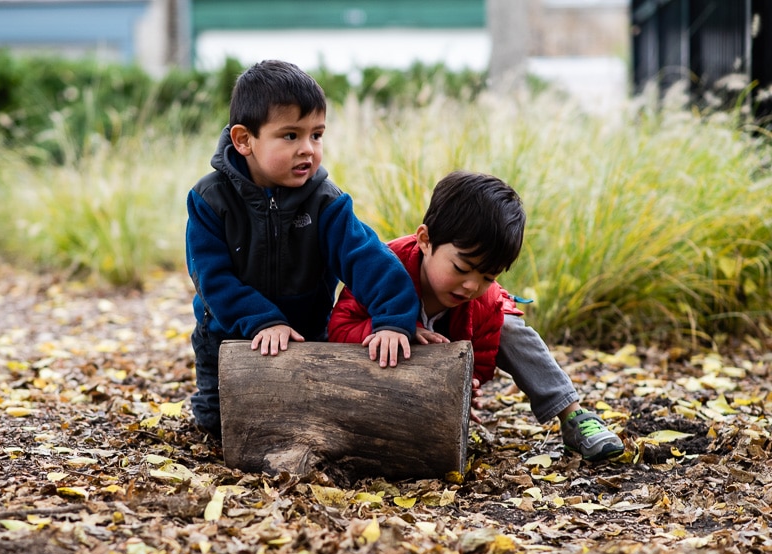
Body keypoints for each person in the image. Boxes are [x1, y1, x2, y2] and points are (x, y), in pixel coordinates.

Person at [185, 60, 419, 439]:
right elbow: (212, 278)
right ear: (244, 140)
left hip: (304, 335)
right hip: (227, 334)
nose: (307, 149)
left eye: (317, 135)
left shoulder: (325, 202)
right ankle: (212, 408)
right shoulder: (210, 199)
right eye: (290, 136)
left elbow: (368, 259)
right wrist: (262, 319)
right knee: (217, 424)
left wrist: (393, 319)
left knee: (303, 416)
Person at [328, 171, 625, 462]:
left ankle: (573, 415)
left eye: (487, 276)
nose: (471, 285)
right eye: (461, 268)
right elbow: (339, 328)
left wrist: (466, 384)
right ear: (425, 240)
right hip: (378, 379)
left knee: (511, 329)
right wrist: (396, 327)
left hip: (441, 367)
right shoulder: (379, 268)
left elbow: (480, 356)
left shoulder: (486, 300)